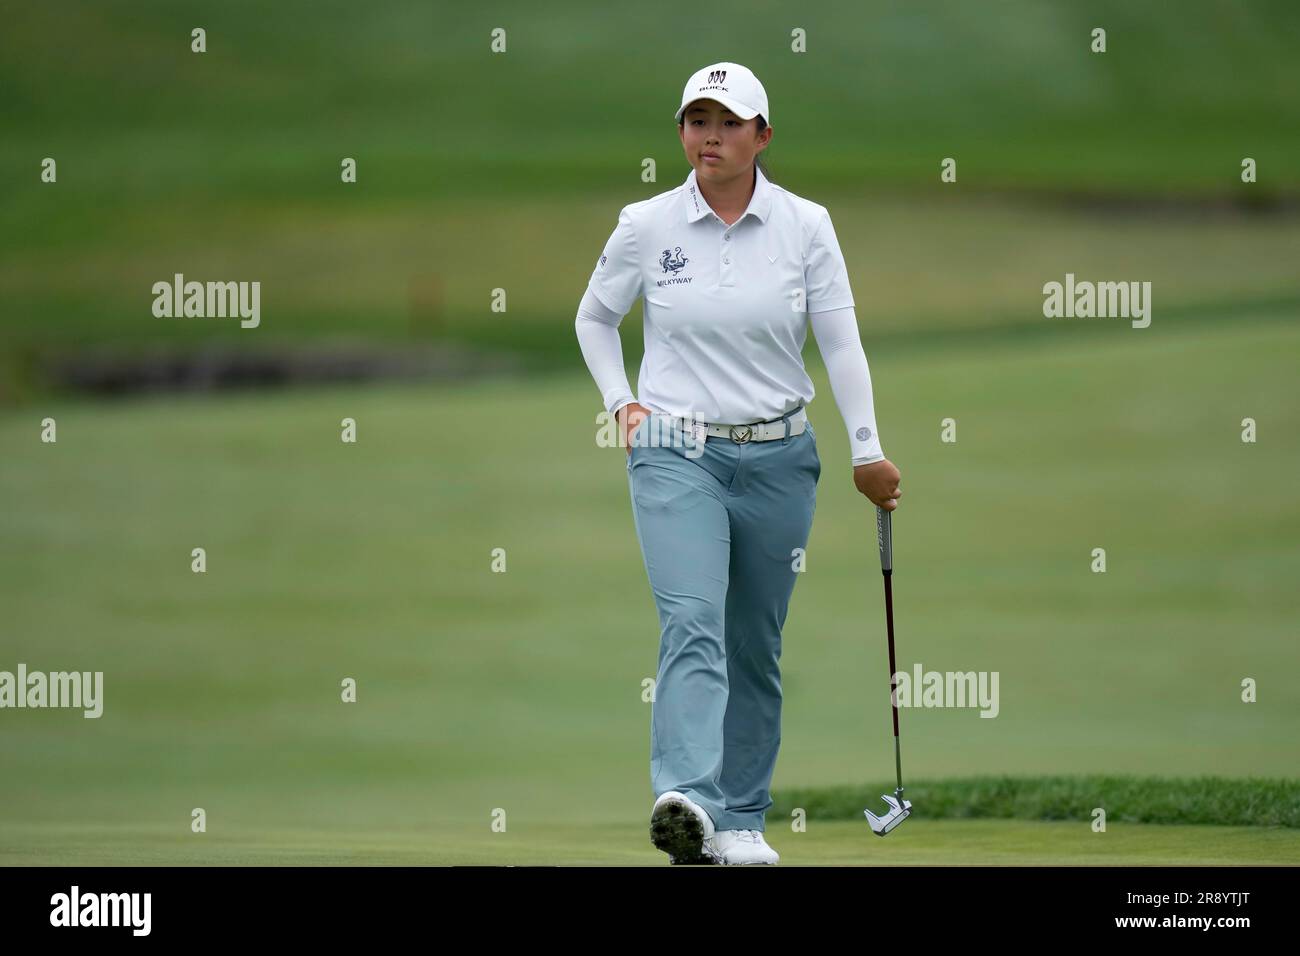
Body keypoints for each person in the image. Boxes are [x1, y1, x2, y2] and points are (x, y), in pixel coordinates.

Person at [574, 61, 902, 865]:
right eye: (695, 120)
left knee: (754, 640)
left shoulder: (805, 225)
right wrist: (622, 403)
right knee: (693, 622)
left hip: (781, 456)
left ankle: (742, 820)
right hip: (674, 450)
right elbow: (595, 316)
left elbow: (839, 340)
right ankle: (687, 796)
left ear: (763, 134)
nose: (708, 136)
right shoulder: (646, 225)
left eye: (726, 122)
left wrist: (868, 449)